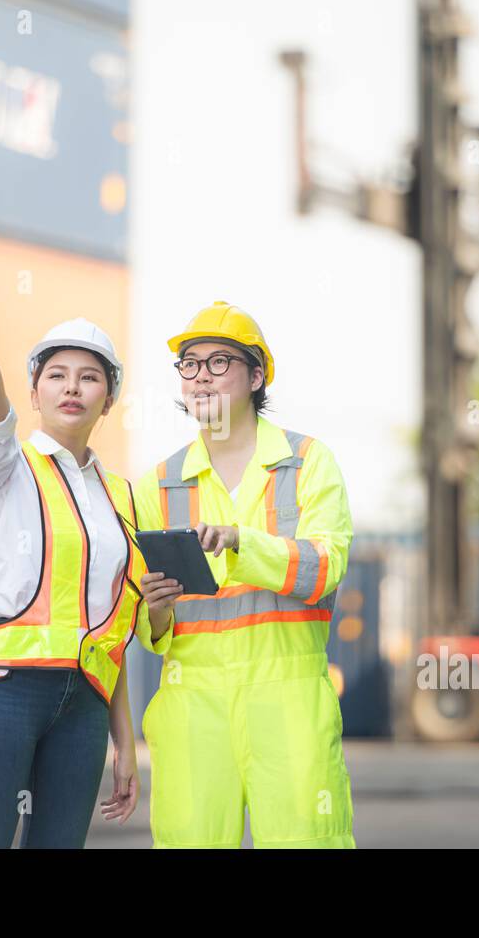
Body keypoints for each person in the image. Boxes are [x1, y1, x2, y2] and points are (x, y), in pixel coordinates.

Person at [132, 300, 356, 848]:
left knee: (308, 839)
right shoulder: (157, 485)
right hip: (191, 703)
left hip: (289, 697)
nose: (201, 376)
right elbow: (143, 623)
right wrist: (155, 609)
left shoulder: (308, 463)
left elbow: (326, 567)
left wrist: (241, 542)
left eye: (219, 362)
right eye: (190, 363)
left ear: (257, 376)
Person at [0, 280, 142, 848]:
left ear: (109, 396)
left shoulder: (121, 498)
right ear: (35, 393)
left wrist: (123, 741)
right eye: (56, 376)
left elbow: (113, 630)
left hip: (82, 705)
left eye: (89, 377)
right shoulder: (5, 468)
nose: (72, 388)